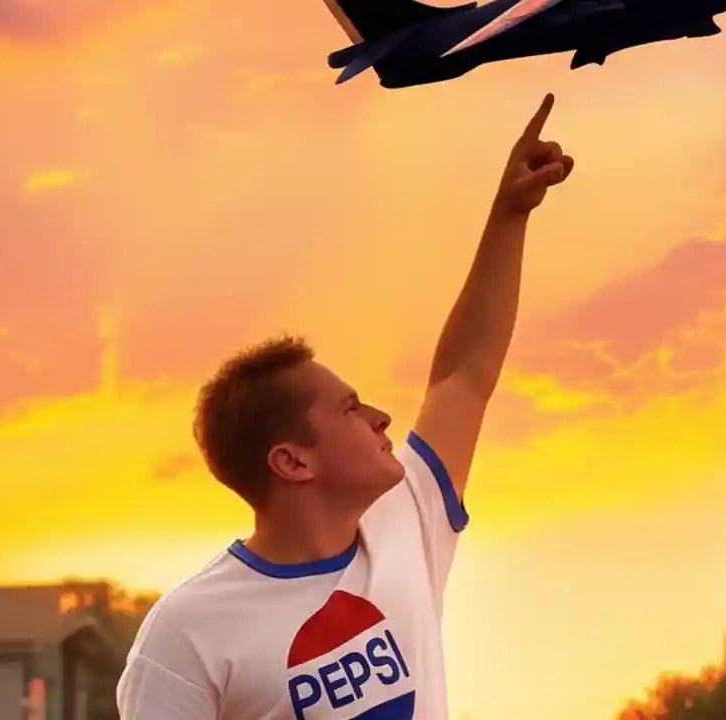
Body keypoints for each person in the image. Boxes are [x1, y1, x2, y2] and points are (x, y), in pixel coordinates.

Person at [116, 93, 574, 719]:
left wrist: (510, 213)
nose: (381, 418)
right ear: (292, 462)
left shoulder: (406, 516)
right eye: (350, 408)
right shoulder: (185, 634)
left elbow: (464, 376)